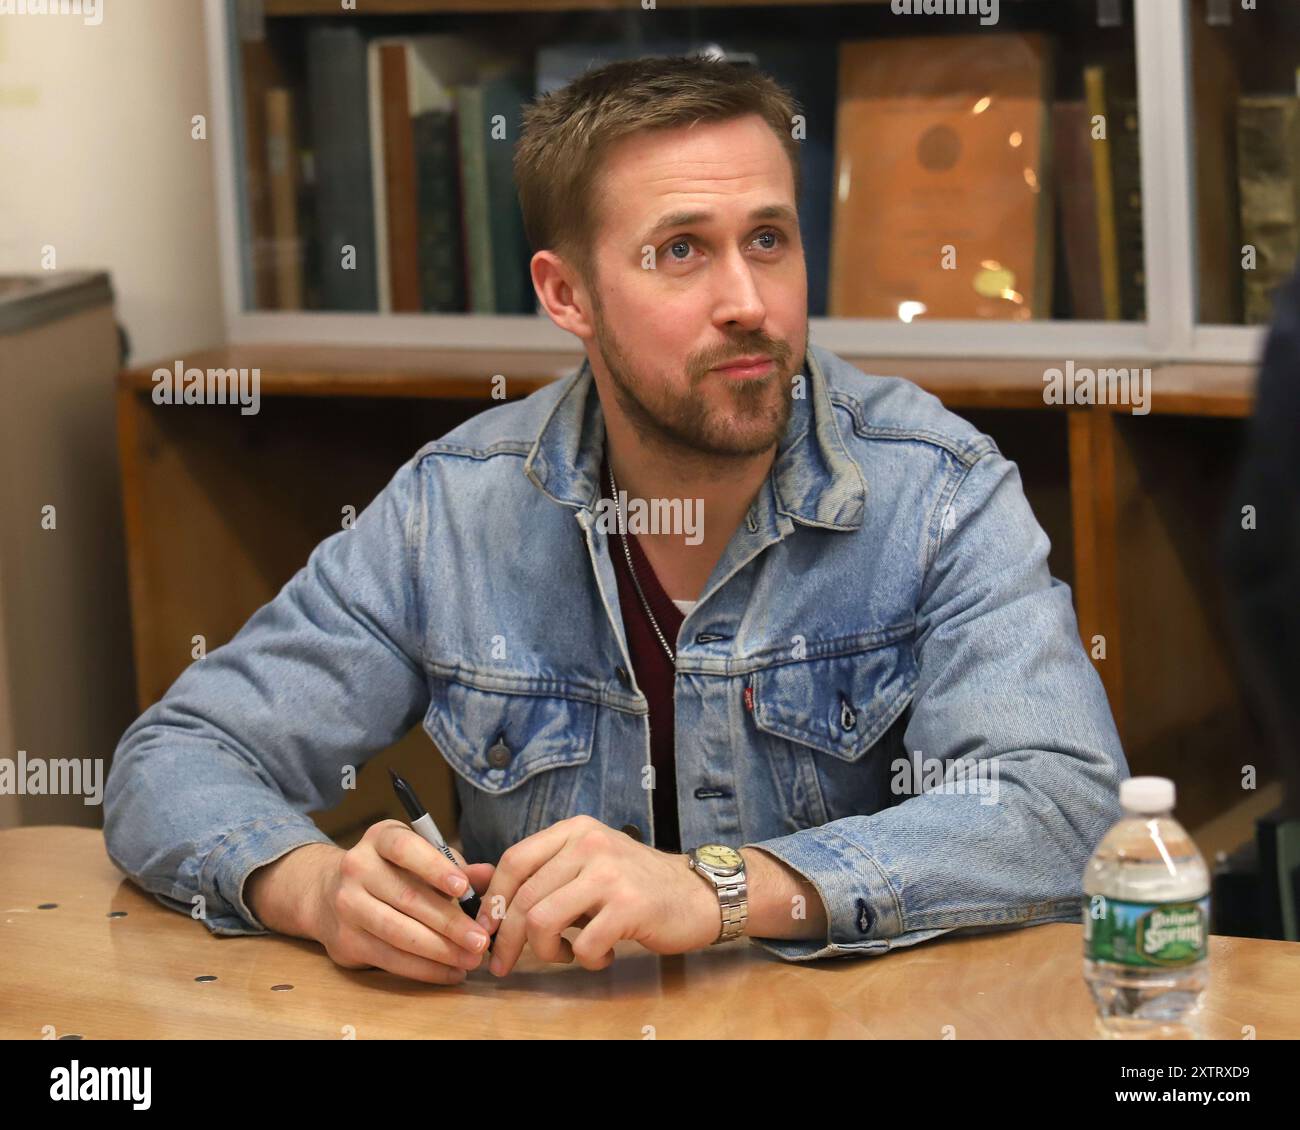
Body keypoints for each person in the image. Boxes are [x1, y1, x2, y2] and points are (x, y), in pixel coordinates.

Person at [104, 55, 1127, 985]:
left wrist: (724, 887)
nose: (748, 302)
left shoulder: (935, 488)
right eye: (680, 250)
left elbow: (1062, 803)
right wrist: (313, 887)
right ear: (567, 293)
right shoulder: (454, 510)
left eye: (768, 239)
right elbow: (174, 756)